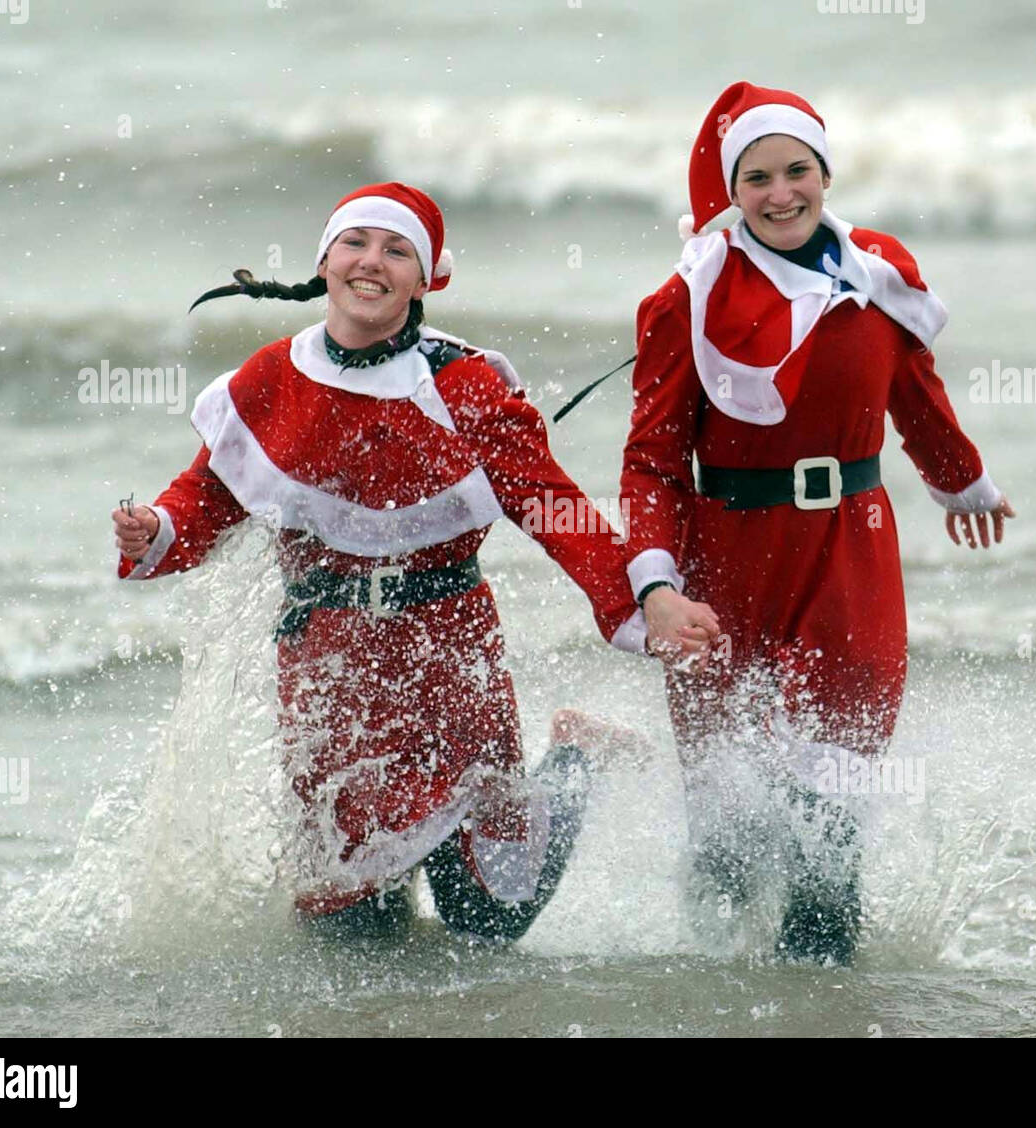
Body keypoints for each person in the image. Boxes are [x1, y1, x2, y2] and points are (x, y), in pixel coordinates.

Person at [112, 182, 714, 944]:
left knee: (490, 909)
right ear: (324, 260)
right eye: (356, 244)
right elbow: (210, 496)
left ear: (426, 279)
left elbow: (555, 508)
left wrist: (643, 599)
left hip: (446, 653)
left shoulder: (463, 389)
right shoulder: (268, 380)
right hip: (326, 664)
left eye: (398, 251)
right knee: (353, 928)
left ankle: (577, 753)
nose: (373, 262)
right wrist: (155, 528)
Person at [619, 83, 1015, 964]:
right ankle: (716, 997)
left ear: (826, 172)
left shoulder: (877, 276)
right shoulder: (687, 300)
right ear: (733, 192)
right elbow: (649, 462)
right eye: (756, 177)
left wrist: (966, 484)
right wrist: (654, 586)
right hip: (723, 562)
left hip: (851, 553)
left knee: (832, 805)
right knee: (726, 821)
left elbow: (915, 392)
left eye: (797, 170)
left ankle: (822, 992)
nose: (780, 192)